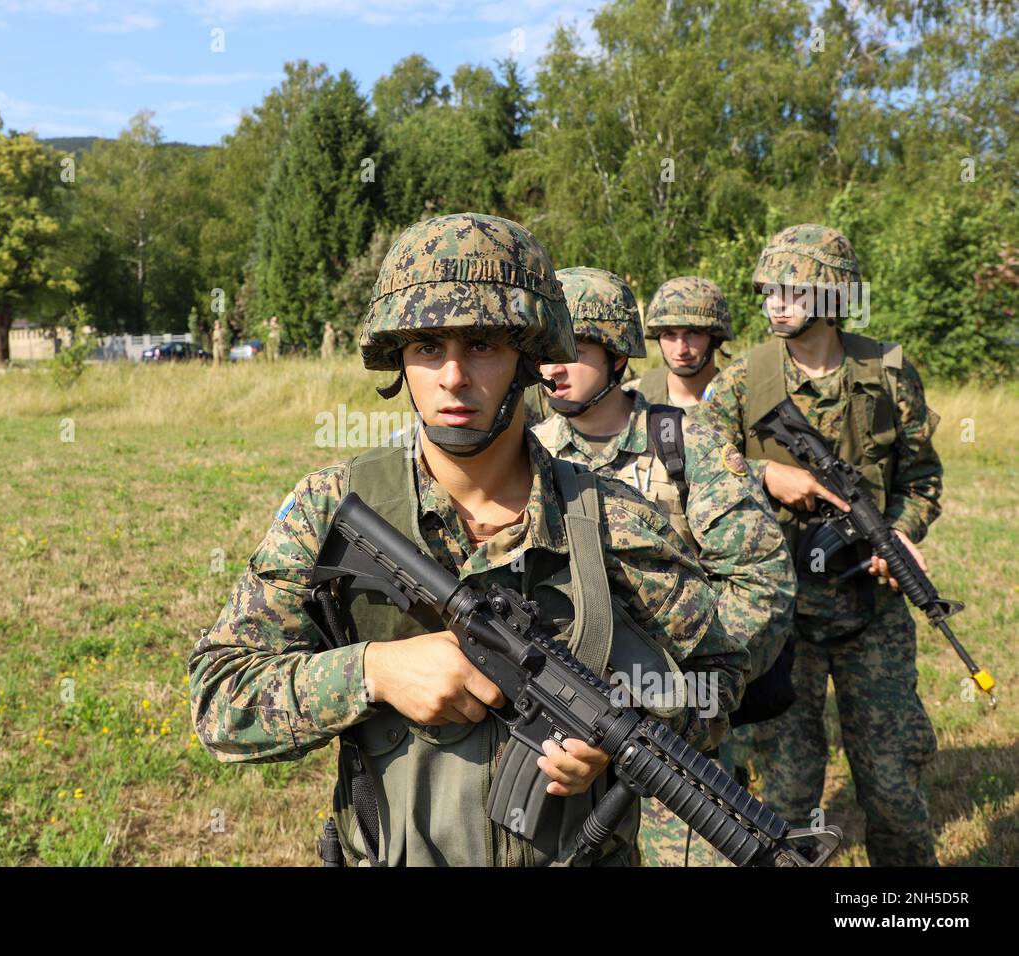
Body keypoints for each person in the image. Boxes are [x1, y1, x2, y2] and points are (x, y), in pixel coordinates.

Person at [189, 212, 749, 866]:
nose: (453, 377)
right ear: (399, 359)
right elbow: (220, 699)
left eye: (482, 346)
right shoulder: (331, 508)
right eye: (428, 348)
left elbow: (716, 679)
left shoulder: (612, 519)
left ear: (529, 360)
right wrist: (372, 672)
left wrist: (624, 741)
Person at [696, 224, 943, 867]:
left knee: (894, 790)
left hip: (872, 610)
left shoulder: (887, 370)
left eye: (794, 291)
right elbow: (687, 468)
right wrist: (764, 474)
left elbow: (921, 479)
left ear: (833, 296)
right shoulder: (743, 380)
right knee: (786, 793)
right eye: (768, 290)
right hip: (781, 612)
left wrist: (901, 536)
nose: (776, 303)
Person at [532, 267, 795, 866]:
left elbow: (763, 583)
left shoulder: (685, 446)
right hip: (556, 731)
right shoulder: (529, 451)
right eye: (544, 352)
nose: (552, 368)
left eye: (571, 350)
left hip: (672, 737)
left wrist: (692, 699)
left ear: (619, 353)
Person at [630, 276, 734, 410]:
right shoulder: (633, 398)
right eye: (669, 334)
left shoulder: (740, 400)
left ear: (716, 338)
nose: (681, 350)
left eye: (693, 333)